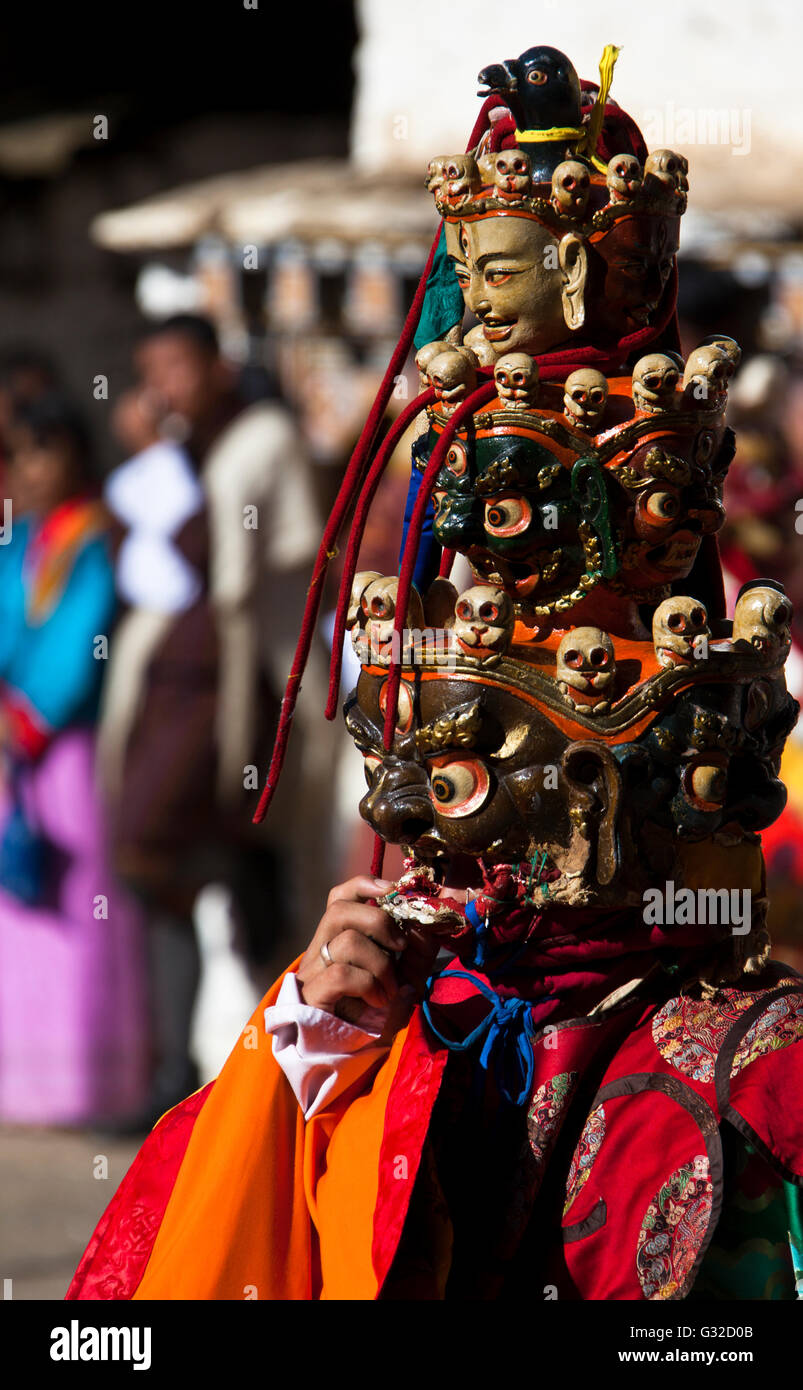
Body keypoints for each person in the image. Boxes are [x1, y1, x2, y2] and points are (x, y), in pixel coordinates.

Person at [97, 315, 326, 1131]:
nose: (164, 384)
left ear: (216, 366)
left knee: (180, 847)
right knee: (157, 858)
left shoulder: (259, 437)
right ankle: (177, 1073)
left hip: (234, 690)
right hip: (171, 685)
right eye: (149, 369)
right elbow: (140, 552)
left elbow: (283, 563)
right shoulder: (172, 452)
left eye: (177, 365)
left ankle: (263, 1072)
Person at [0, 395, 147, 1125]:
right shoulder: (19, 540)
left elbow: (79, 642)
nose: (28, 470)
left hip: (63, 754)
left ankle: (89, 1080)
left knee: (79, 903)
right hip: (14, 755)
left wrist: (24, 714)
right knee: (20, 919)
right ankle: (24, 1078)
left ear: (75, 459)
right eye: (20, 455)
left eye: (41, 453)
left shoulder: (91, 540)